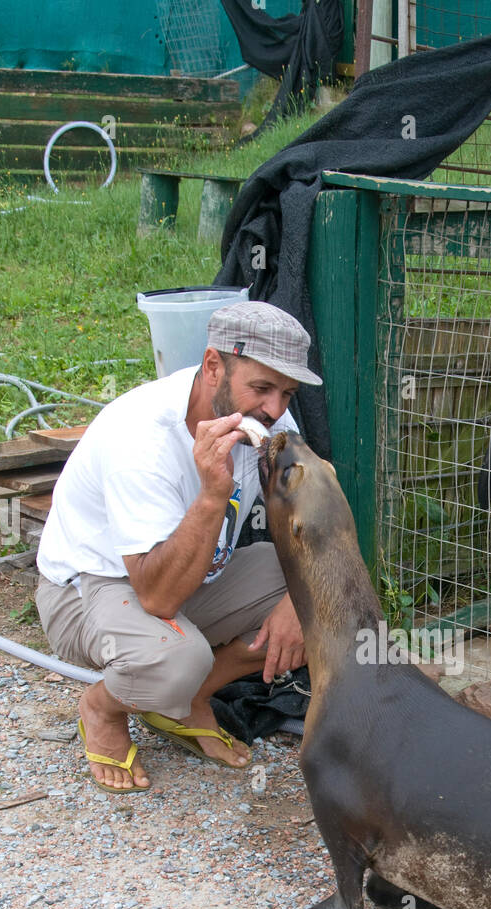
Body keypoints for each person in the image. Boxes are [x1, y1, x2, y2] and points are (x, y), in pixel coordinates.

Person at [35, 301, 321, 792]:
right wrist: (213, 494)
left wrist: (299, 601)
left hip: (192, 575)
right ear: (214, 366)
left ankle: (193, 698)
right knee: (177, 659)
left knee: (322, 595)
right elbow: (158, 598)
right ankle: (102, 707)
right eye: (262, 388)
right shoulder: (140, 441)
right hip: (95, 586)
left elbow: (311, 523)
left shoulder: (272, 425)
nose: (275, 410)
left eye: (287, 393)